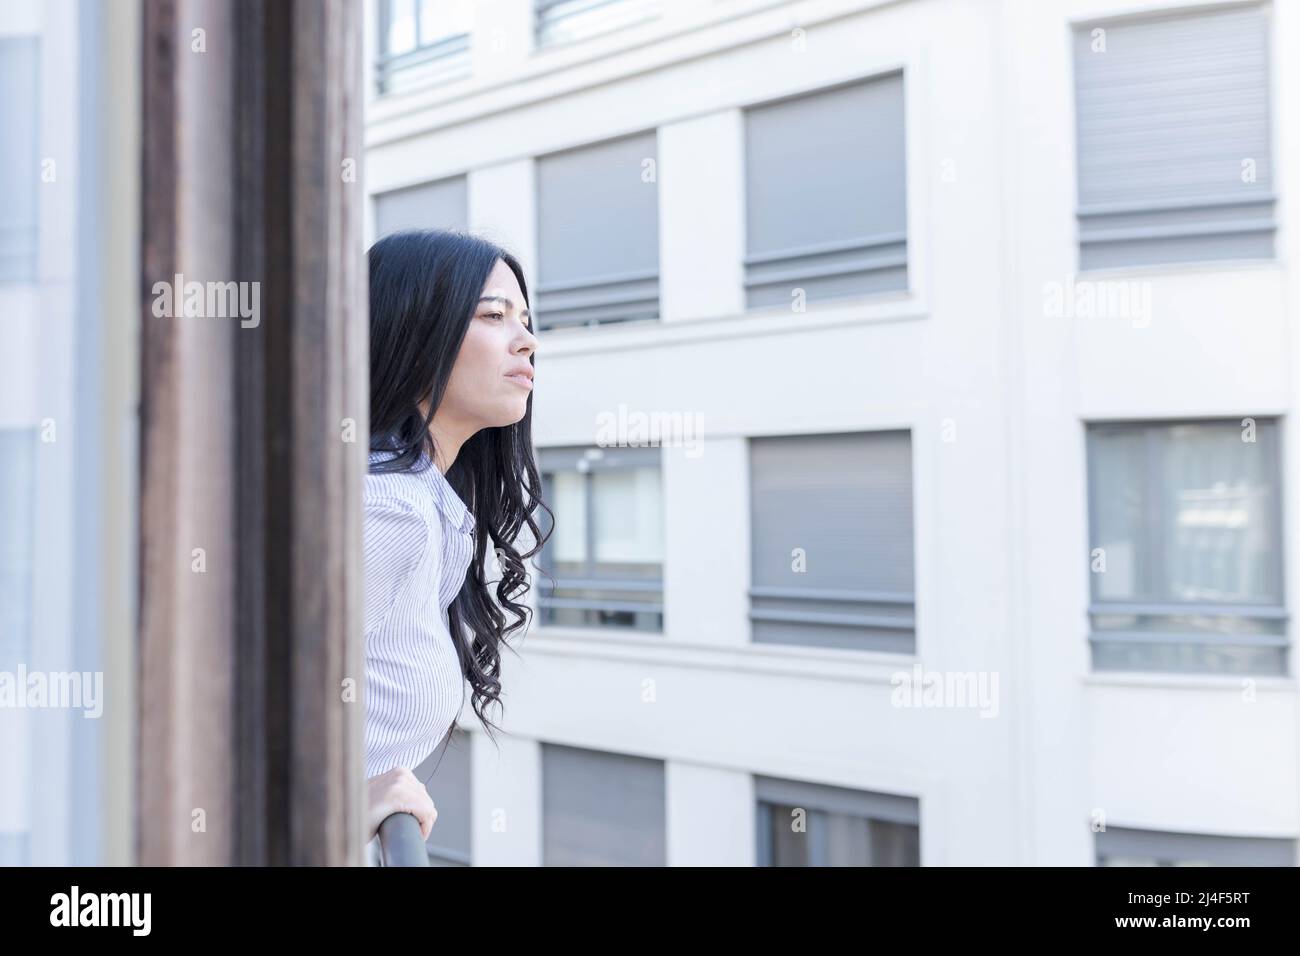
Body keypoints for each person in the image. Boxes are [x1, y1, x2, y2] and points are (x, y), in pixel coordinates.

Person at [362, 229, 549, 854]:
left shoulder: (427, 503)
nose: (527, 341)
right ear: (415, 332)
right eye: (493, 315)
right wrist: (348, 793)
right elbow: (227, 697)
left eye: (524, 320)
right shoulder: (389, 512)